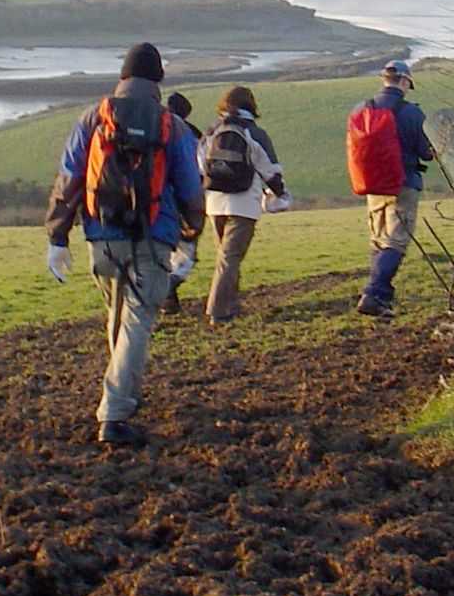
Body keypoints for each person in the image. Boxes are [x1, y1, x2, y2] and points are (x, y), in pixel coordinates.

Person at [44, 42, 206, 447]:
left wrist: (57, 237)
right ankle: (113, 414)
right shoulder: (171, 125)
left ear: (122, 77)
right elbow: (189, 186)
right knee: (137, 324)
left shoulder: (93, 118)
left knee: (117, 319)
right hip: (154, 236)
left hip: (101, 236)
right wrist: (192, 233)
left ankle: (126, 397)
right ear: (158, 81)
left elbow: (69, 180)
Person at [198, 85, 291, 325]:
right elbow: (270, 170)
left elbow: (199, 164)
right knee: (230, 258)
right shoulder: (255, 133)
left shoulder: (212, 131)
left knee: (226, 257)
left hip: (215, 202)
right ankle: (218, 311)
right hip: (244, 204)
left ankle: (232, 304)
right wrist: (279, 195)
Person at [352, 59, 435, 319]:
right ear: (403, 81)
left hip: (373, 184)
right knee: (397, 241)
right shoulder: (411, 113)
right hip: (404, 183)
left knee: (378, 240)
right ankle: (374, 292)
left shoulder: (361, 108)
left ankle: (383, 301)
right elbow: (427, 152)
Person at [160, 91, 203, 315]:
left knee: (159, 251)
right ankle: (171, 285)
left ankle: (167, 298)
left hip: (154, 202)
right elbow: (197, 173)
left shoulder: (153, 126)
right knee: (187, 252)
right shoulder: (191, 133)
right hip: (182, 202)